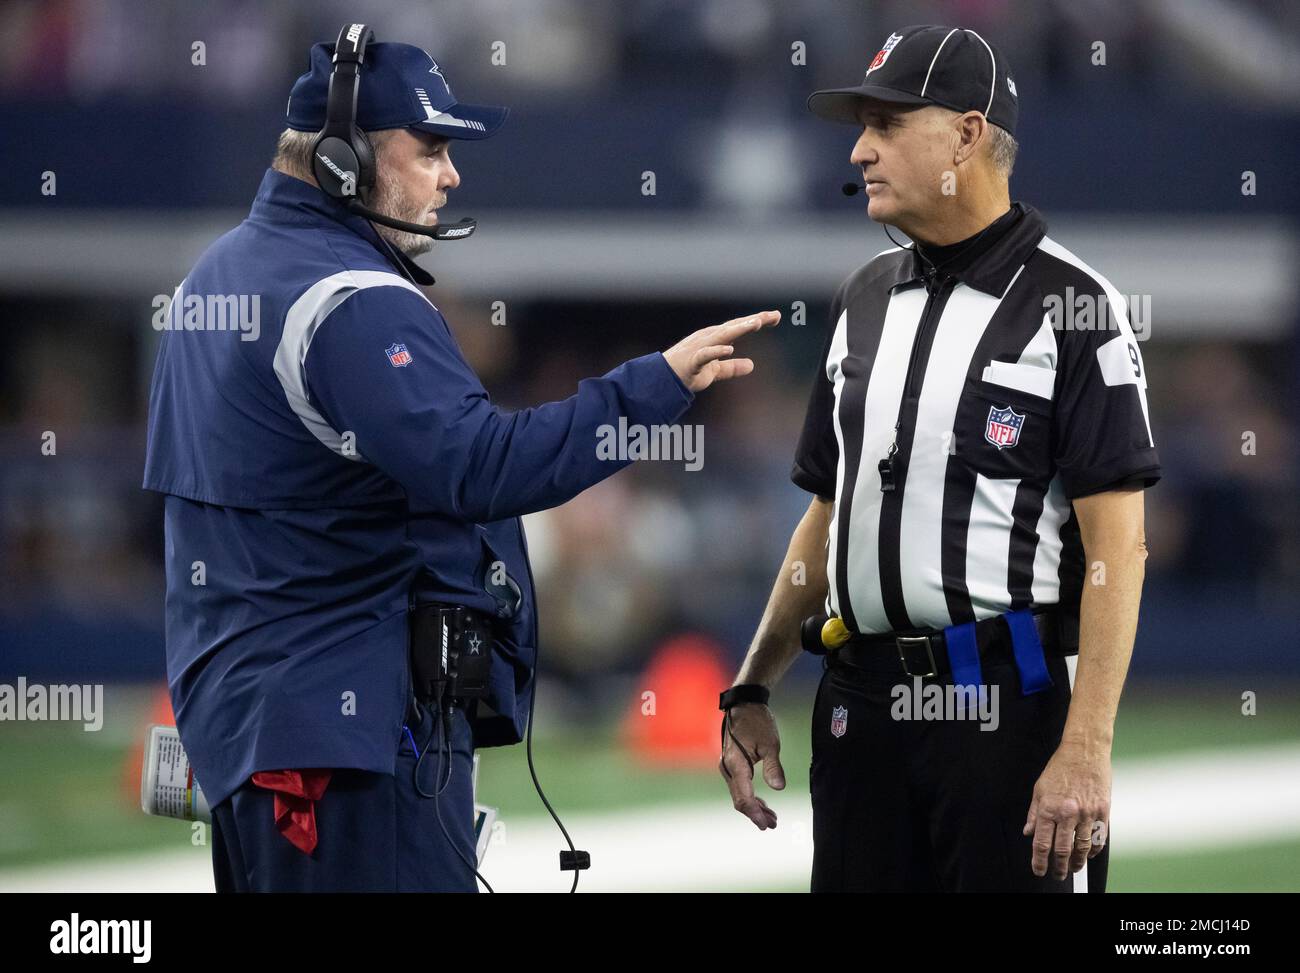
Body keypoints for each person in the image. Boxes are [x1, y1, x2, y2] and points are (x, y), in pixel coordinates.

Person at [143, 26, 778, 892]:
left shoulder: (212, 277)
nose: (451, 175)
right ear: (341, 158)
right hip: (348, 746)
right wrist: (651, 386)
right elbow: (480, 465)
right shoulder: (349, 298)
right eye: (432, 146)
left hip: (246, 737)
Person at [717, 24, 1159, 892]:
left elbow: (1119, 548)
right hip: (858, 703)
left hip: (1002, 701)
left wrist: (1087, 748)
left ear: (966, 132)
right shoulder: (862, 297)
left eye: (886, 124)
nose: (859, 149)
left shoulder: (1073, 306)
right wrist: (751, 686)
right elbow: (830, 510)